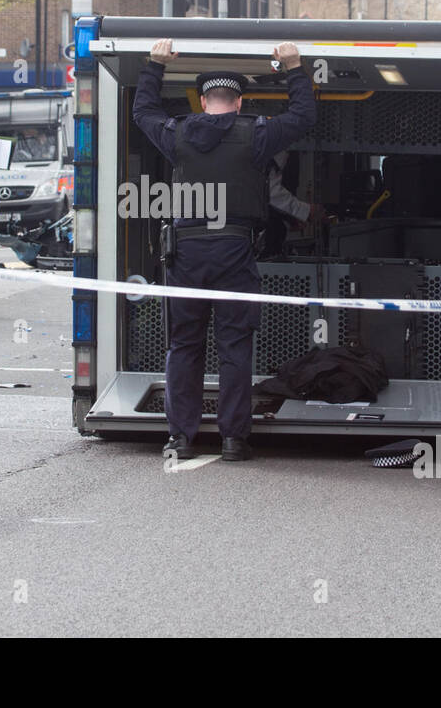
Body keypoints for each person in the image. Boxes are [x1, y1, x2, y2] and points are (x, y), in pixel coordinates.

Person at [134, 39, 316, 461]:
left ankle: (181, 437)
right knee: (234, 348)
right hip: (235, 251)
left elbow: (142, 111)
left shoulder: (176, 134)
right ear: (239, 101)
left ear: (201, 101)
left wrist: (154, 66)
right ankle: (234, 439)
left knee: (184, 347)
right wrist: (293, 66)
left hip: (186, 255)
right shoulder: (257, 135)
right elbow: (304, 115)